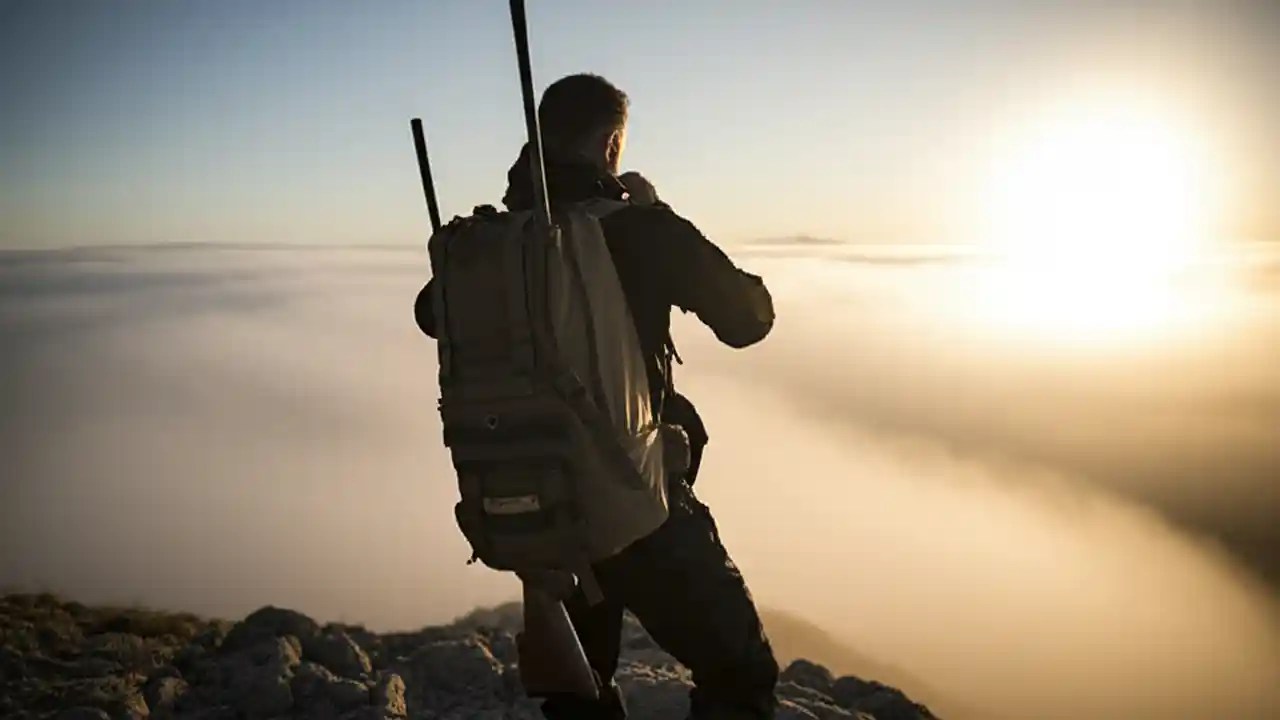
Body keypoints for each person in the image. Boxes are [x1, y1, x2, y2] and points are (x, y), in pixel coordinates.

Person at [416, 73, 778, 720]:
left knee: (578, 690)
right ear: (612, 144)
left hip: (530, 498)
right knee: (739, 670)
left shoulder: (487, 246)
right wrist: (655, 213)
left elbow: (429, 314)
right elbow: (749, 318)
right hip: (634, 497)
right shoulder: (637, 230)